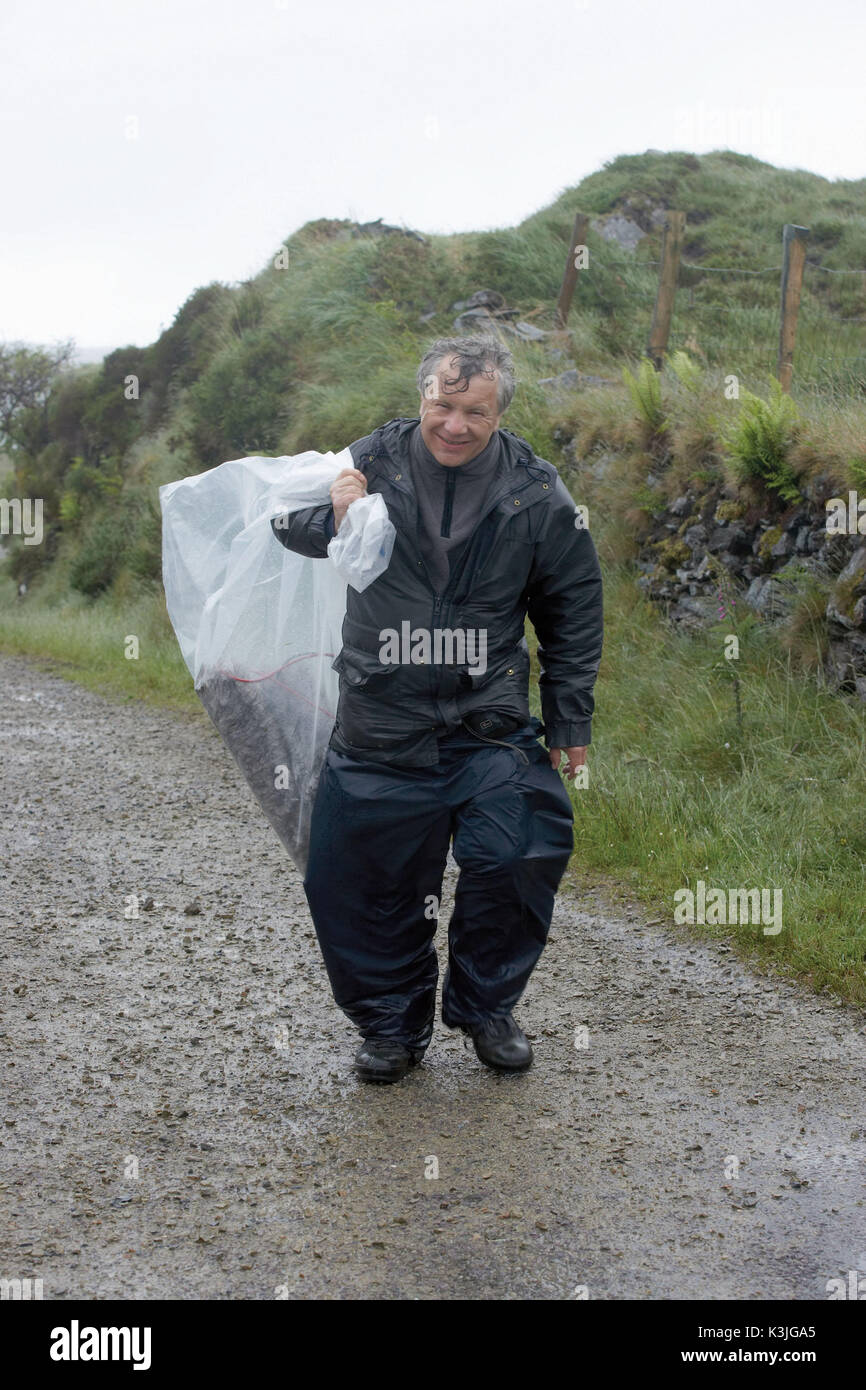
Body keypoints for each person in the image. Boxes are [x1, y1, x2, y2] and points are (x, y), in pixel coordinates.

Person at [271, 334, 603, 1082]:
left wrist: (571, 720)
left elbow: (572, 609)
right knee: (360, 883)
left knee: (519, 854)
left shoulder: (537, 491)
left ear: (499, 413)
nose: (456, 424)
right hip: (379, 722)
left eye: (475, 411)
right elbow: (284, 522)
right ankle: (391, 1027)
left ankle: (487, 1009)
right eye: (443, 405)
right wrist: (338, 517)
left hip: (487, 724)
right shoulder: (369, 459)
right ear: (422, 396)